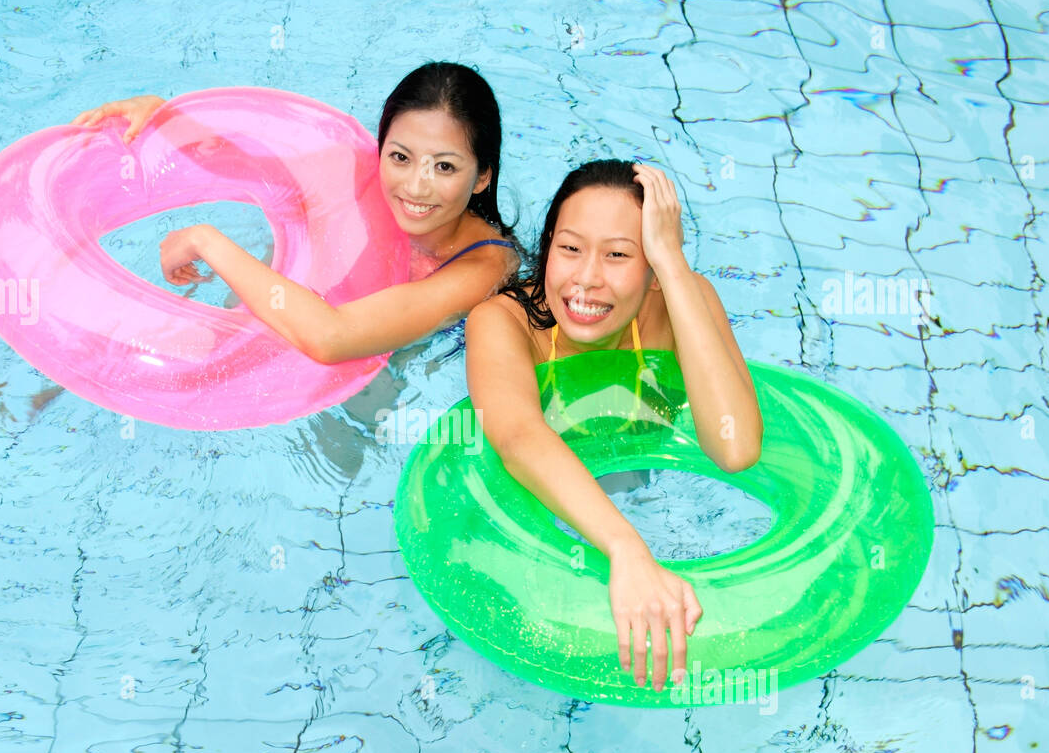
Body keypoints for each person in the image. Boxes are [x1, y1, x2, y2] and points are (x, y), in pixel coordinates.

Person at [464, 159, 763, 692]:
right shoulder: (503, 321)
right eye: (570, 248)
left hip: (647, 483)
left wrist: (673, 268)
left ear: (650, 269)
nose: (586, 279)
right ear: (548, 247)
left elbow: (735, 449)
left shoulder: (677, 303)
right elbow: (518, 438)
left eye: (620, 255)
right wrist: (628, 550)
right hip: (543, 515)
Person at [70, 63, 520, 364]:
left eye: (444, 167)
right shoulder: (351, 173)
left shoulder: (485, 266)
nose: (415, 186)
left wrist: (206, 240)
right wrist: (163, 120)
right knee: (197, 341)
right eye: (400, 157)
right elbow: (249, 167)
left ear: (482, 176)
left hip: (372, 366)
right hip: (299, 298)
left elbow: (333, 340)